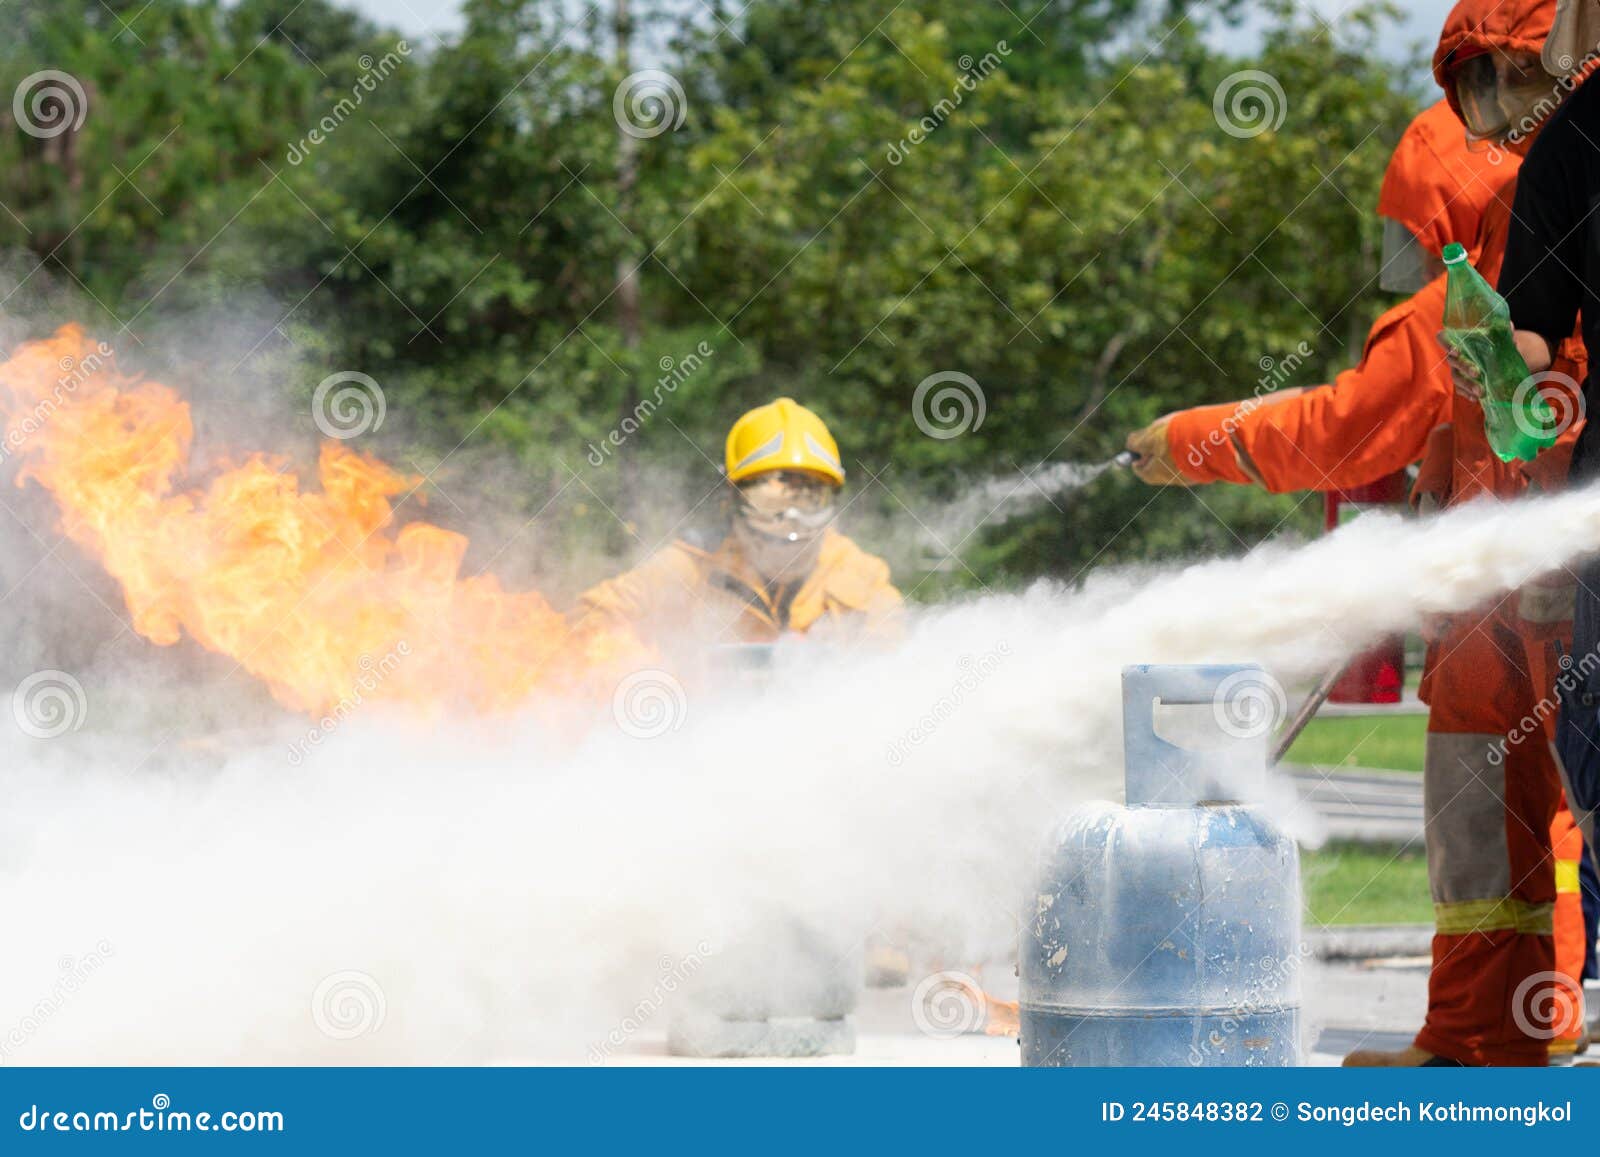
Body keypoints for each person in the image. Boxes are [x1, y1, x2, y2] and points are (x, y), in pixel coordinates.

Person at [1134, 0, 1592, 1065]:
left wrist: (1188, 439)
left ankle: (1501, 1029)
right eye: (1477, 91)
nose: (1499, 114)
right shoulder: (1537, 258)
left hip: (1523, 585)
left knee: (1510, 809)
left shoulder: (1464, 298)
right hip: (1504, 588)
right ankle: (1510, 1026)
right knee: (1514, 814)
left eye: (1509, 82)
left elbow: (1345, 430)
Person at [573, 398, 902, 658]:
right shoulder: (691, 565)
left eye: (809, 496)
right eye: (770, 498)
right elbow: (587, 620)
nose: (791, 518)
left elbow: (895, 664)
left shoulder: (863, 575)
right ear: (732, 497)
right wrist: (634, 664)